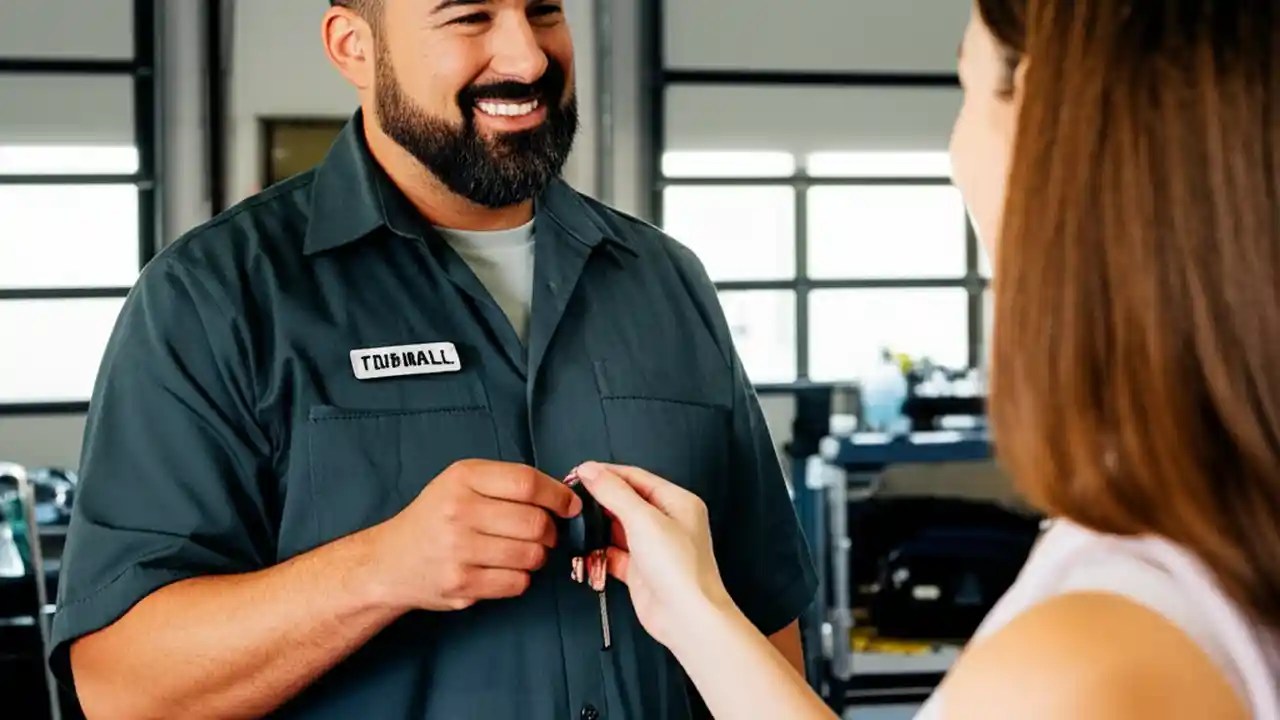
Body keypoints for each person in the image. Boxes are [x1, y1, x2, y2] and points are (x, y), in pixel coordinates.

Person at [49, 1, 815, 718]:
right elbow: (122, 688)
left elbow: (764, 615)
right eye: (470, 15)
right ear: (355, 46)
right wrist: (380, 570)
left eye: (542, 8)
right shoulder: (214, 298)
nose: (525, 55)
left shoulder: (664, 279)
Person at [572, 1, 1280, 719]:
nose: (955, 146)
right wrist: (693, 610)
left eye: (966, 88)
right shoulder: (1208, 542)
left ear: (1039, 118)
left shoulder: (1085, 664)